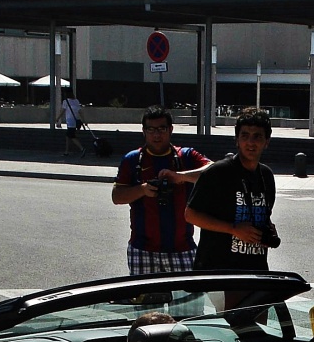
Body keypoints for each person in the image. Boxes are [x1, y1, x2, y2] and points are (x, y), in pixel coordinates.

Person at [111, 106, 213, 274]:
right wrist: (143, 190)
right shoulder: (133, 159)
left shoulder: (185, 156)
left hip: (182, 248)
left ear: (170, 129)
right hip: (142, 249)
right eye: (151, 129)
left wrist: (180, 176)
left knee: (188, 300)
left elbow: (213, 171)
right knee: (144, 299)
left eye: (161, 129)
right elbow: (117, 196)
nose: (156, 135)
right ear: (143, 131)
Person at [186, 107, 279, 271]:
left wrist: (268, 229)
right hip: (218, 271)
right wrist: (233, 229)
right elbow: (191, 214)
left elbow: (262, 213)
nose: (251, 142)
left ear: (267, 142)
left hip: (255, 270)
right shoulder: (217, 172)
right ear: (236, 140)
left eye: (257, 136)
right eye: (245, 136)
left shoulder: (266, 175)